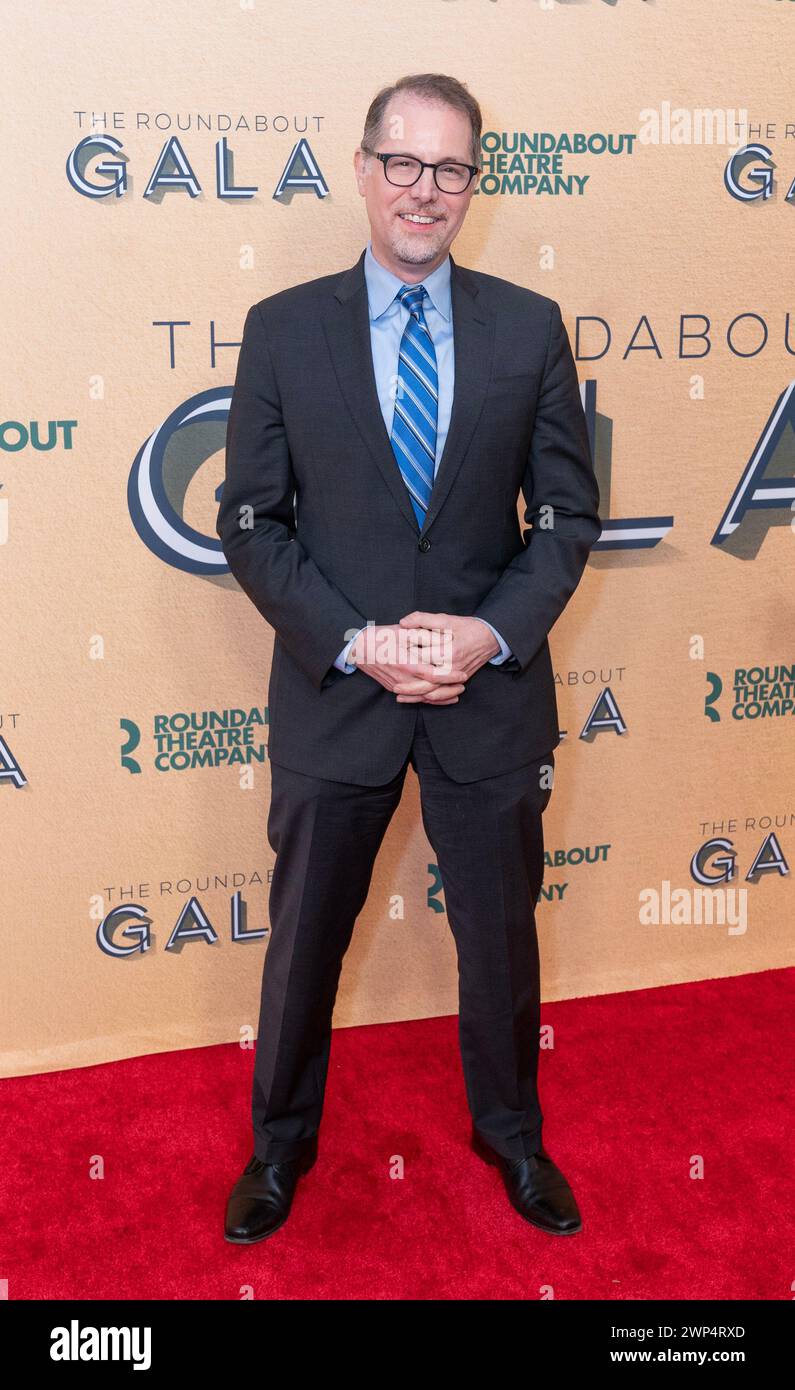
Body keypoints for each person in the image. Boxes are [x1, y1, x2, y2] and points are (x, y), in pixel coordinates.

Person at [216, 72, 601, 1244]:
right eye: (403, 163)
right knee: (304, 943)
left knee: (498, 941)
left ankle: (512, 1133)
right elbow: (250, 520)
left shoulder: (529, 329)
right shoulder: (284, 329)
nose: (423, 191)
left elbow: (569, 519)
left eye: (450, 169)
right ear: (364, 167)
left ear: (474, 184)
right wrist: (355, 641)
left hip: (489, 705)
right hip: (340, 697)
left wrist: (485, 636)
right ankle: (278, 1147)